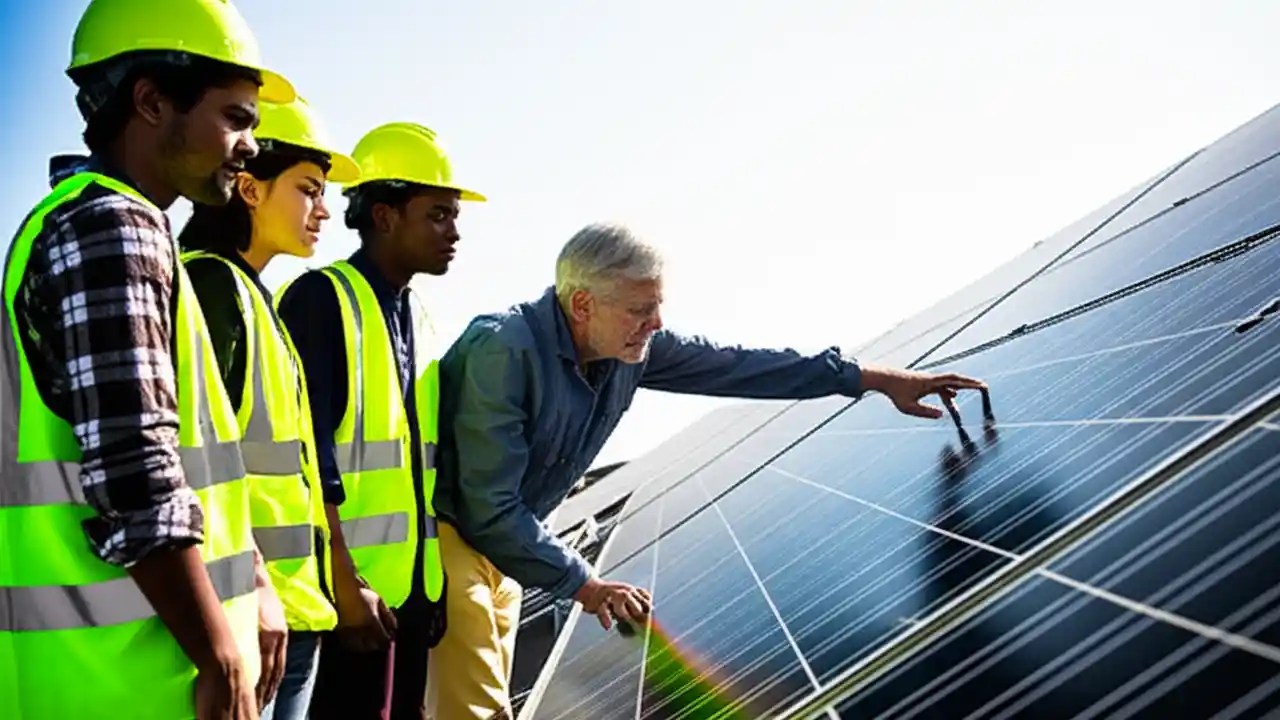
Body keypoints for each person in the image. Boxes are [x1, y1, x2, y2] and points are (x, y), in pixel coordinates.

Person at [429, 222, 988, 719]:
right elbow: (487, 506)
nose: (656, 323)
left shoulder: (630, 350)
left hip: (509, 548)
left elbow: (740, 366)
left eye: (658, 306)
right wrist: (588, 585)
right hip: (451, 540)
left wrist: (874, 379)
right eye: (640, 309)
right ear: (581, 305)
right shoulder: (501, 351)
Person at [0, 1, 296, 718]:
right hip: (128, 686)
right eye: (236, 117)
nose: (252, 143)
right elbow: (135, 471)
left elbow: (197, 466)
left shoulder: (125, 227)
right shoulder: (111, 227)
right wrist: (219, 657)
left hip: (140, 675)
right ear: (151, 102)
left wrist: (252, 577)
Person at [277, 122, 486, 720]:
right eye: (439, 214)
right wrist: (345, 583)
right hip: (351, 601)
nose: (454, 232)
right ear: (386, 215)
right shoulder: (320, 299)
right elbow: (306, 459)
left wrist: (432, 585)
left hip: (411, 600)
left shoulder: (421, 315)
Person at [176, 96, 362, 720]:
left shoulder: (255, 297)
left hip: (284, 615)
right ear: (251, 190)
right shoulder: (211, 288)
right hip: (247, 618)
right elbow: (184, 464)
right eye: (309, 189)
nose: (324, 210)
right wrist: (251, 597)